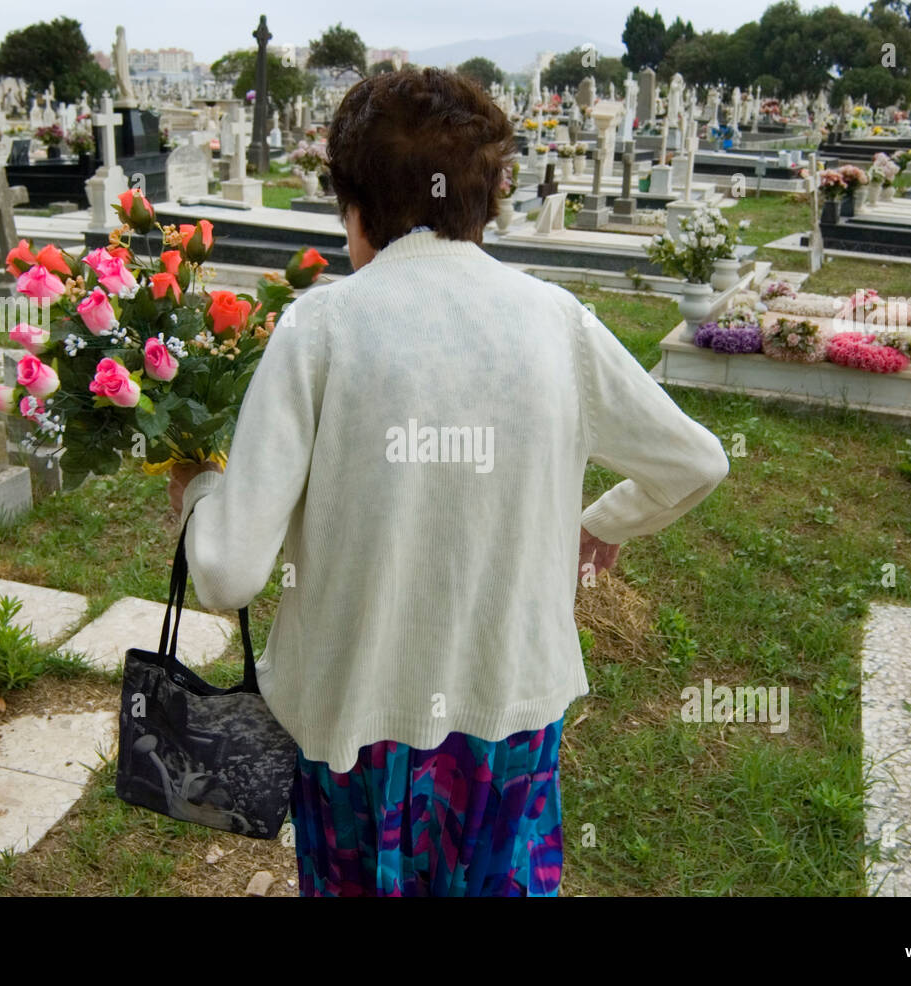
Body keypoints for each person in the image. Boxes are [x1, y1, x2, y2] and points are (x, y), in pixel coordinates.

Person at [168, 67, 729, 897]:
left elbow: (226, 572)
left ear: (352, 205)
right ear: (490, 196)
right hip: (510, 711)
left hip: (356, 723)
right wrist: (605, 521)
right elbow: (696, 461)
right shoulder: (557, 322)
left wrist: (199, 492)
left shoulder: (321, 328)